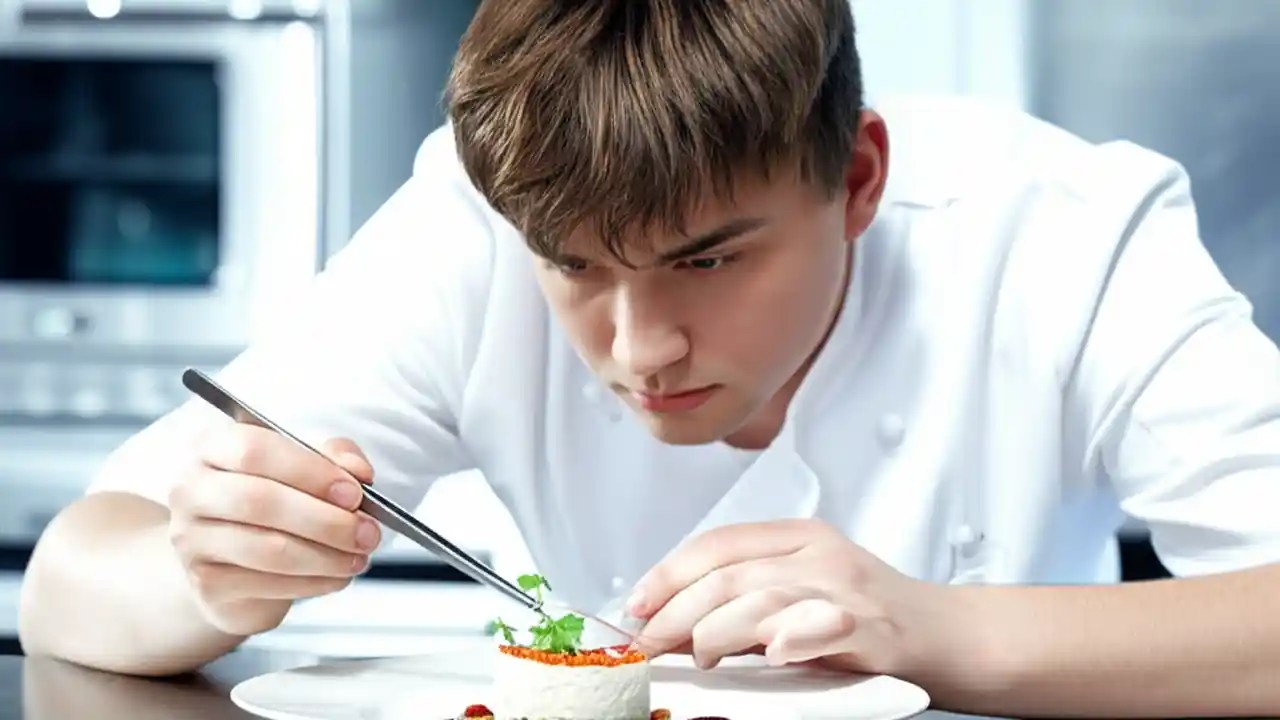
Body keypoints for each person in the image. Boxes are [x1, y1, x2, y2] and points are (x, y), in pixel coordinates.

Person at [18, 0, 1280, 716]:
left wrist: (930, 627)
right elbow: (71, 578)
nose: (641, 349)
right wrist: (208, 581)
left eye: (708, 259)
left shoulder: (1060, 234)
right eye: (573, 268)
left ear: (856, 179)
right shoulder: (471, 224)